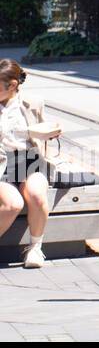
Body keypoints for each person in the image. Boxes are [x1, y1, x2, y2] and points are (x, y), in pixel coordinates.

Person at [0, 59, 59, 268]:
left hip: (29, 159)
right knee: (12, 204)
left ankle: (35, 248)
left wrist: (49, 133)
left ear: (13, 85)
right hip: (2, 163)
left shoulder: (32, 103)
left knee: (36, 195)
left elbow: (44, 130)